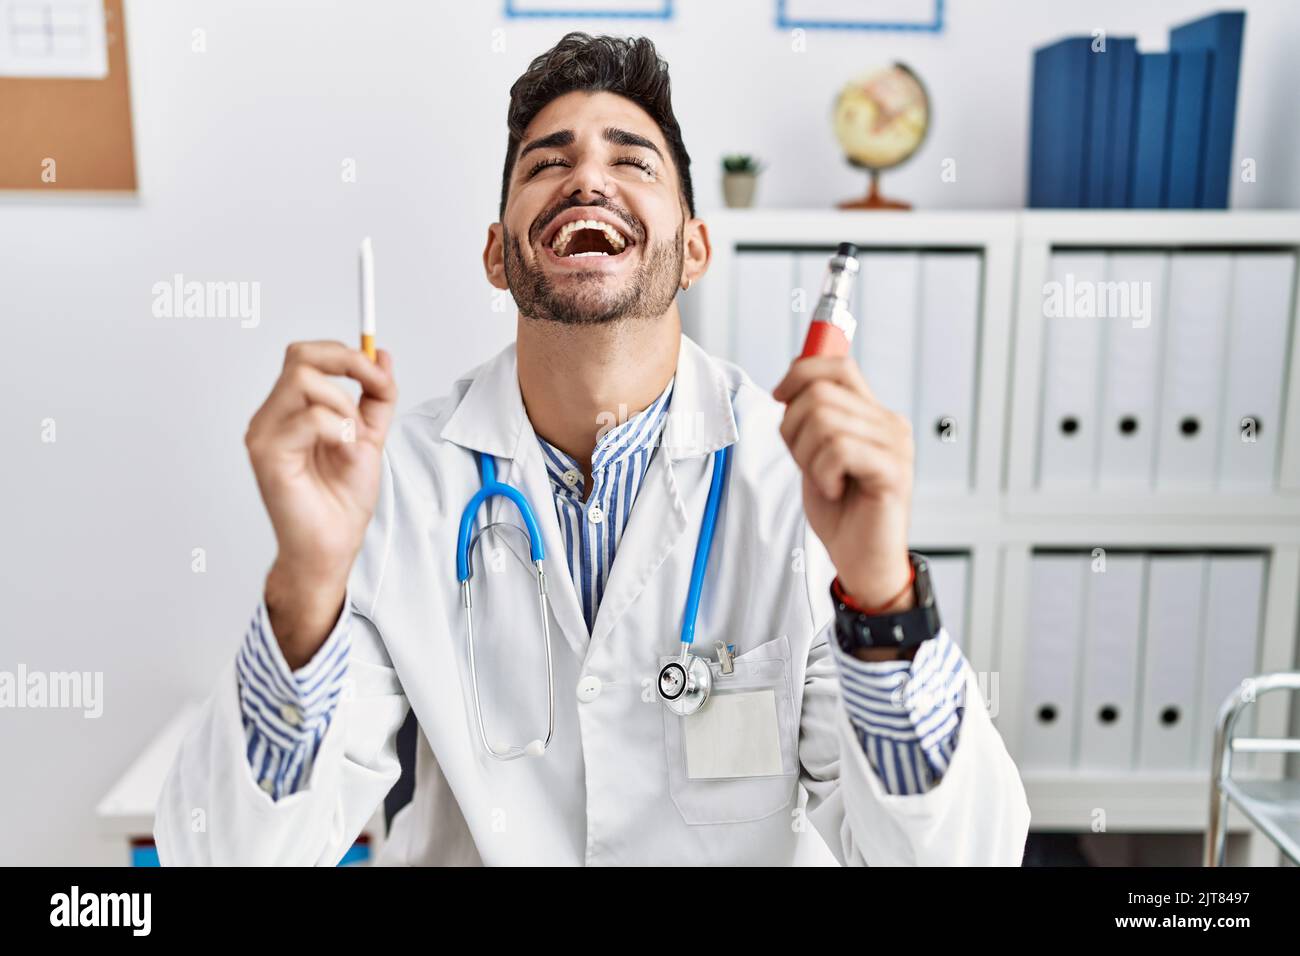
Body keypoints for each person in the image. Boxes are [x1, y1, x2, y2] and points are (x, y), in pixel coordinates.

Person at [155, 32, 1029, 866]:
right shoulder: (395, 476)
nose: (586, 180)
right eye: (547, 162)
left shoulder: (789, 477)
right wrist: (304, 583)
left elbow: (956, 858)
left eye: (631, 160)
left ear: (693, 249)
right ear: (499, 254)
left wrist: (883, 597)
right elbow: (222, 854)